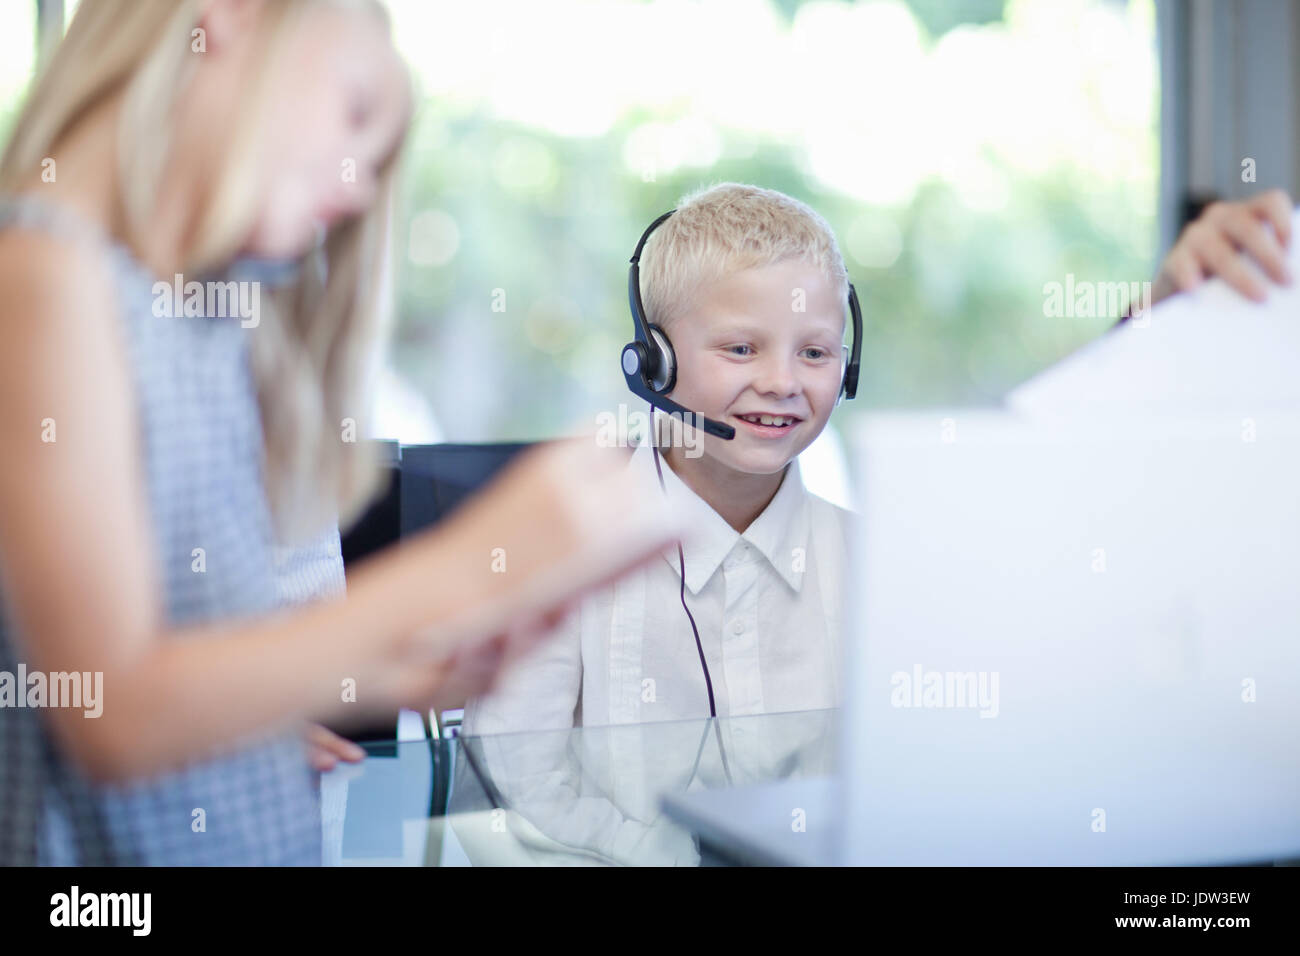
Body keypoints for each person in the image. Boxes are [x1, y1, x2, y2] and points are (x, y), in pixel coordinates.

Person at [0, 0, 678, 865]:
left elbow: (178, 664)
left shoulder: (193, 316)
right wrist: (460, 567)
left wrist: (288, 701)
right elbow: (112, 712)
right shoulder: (43, 272)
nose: (360, 187)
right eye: (356, 113)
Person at [464, 182, 1295, 736]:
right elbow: (516, 792)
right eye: (743, 347)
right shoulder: (564, 566)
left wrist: (1162, 328)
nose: (783, 383)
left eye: (817, 354)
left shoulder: (881, 569)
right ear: (654, 361)